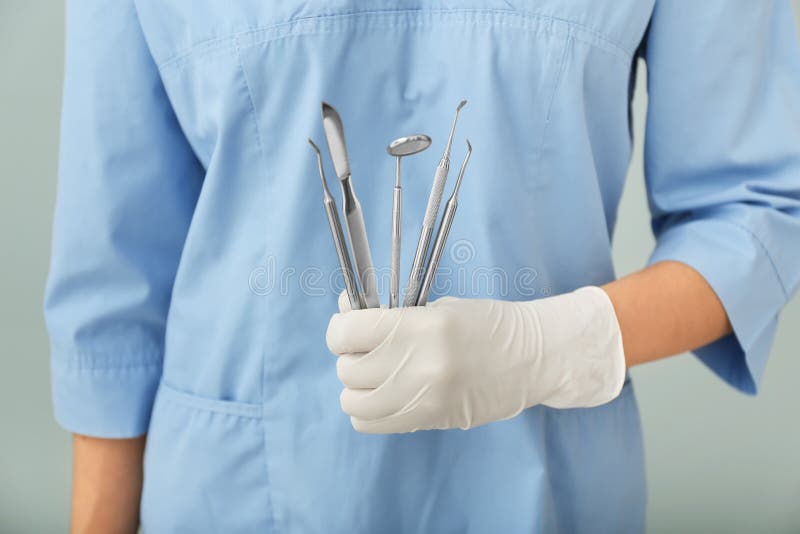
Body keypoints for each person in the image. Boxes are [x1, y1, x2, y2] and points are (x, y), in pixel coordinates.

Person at [45, 1, 800, 532]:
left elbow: (755, 211)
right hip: (236, 496)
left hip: (550, 496)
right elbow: (114, 284)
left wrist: (557, 344)